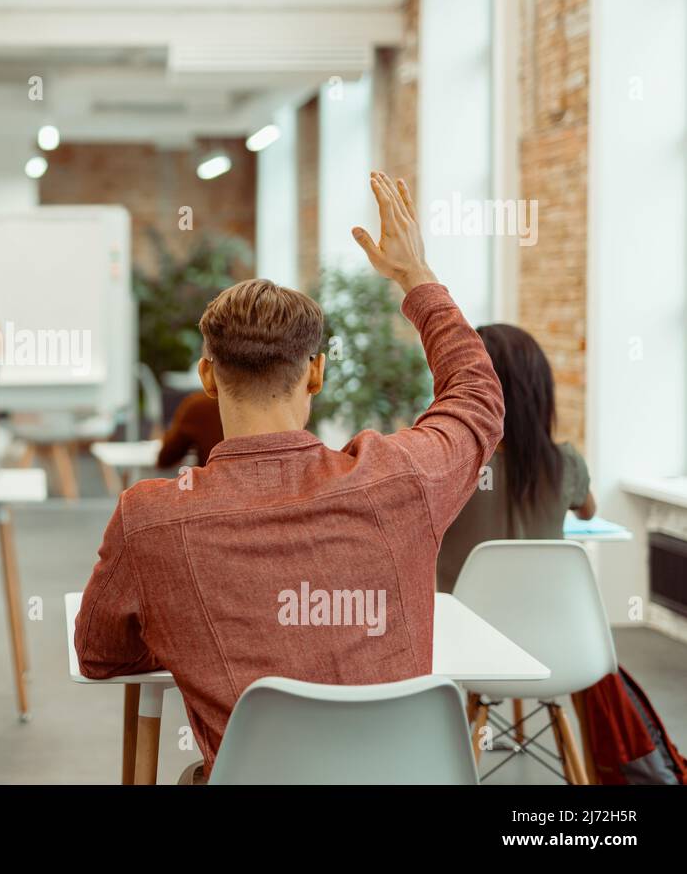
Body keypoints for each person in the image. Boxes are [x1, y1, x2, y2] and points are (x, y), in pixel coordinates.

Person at [75, 172, 505, 784]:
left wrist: (185, 629)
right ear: (316, 375)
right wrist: (415, 276)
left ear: (206, 376)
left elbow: (98, 654)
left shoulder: (152, 518)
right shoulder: (401, 478)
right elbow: (478, 398)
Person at [436, 323, 596, 592]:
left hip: (465, 624)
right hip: (545, 623)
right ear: (541, 390)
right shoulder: (566, 463)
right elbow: (588, 513)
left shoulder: (447, 464)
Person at [156, 389, 225, 468]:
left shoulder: (198, 405)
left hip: (211, 477)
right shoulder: (199, 405)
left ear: (206, 378)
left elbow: (166, 458)